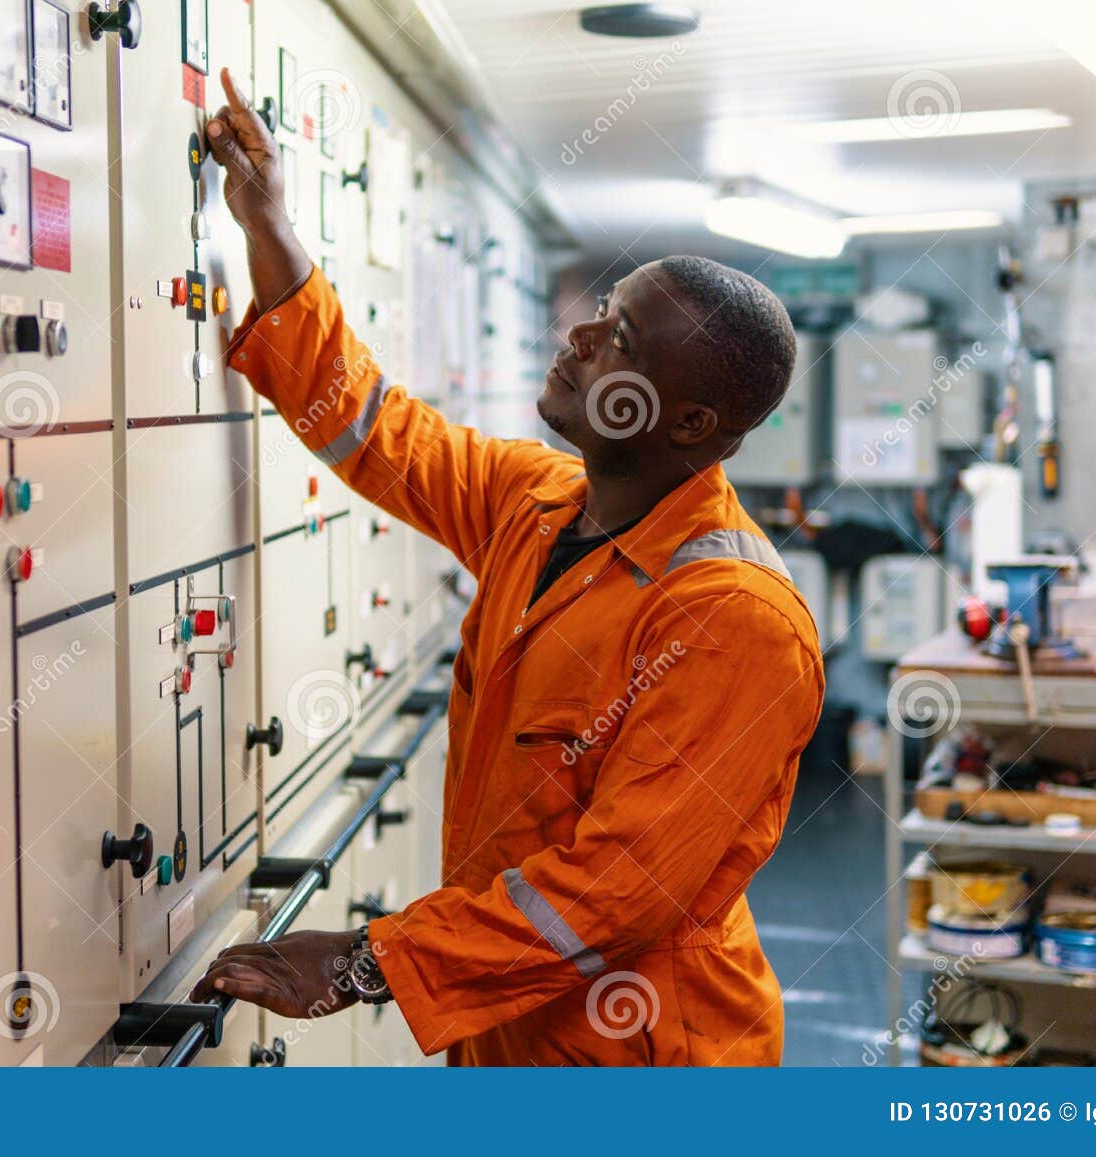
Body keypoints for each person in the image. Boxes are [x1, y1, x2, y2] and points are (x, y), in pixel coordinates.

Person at [189, 69, 824, 1065]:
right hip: (513, 1027)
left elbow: (616, 889)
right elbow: (375, 432)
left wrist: (365, 962)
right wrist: (269, 230)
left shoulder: (732, 619)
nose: (577, 337)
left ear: (692, 423)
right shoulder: (538, 502)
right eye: (600, 310)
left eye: (620, 339)